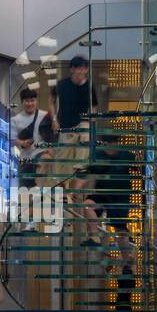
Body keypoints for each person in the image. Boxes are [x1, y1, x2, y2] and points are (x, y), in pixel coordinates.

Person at [50, 56, 102, 246]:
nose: (81, 72)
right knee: (63, 168)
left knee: (82, 155)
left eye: (84, 69)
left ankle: (75, 186)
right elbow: (51, 99)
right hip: (66, 128)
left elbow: (94, 106)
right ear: (72, 69)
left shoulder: (89, 87)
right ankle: (66, 208)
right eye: (78, 69)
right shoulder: (62, 85)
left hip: (83, 125)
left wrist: (92, 122)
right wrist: (55, 119)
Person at [11, 88, 54, 228]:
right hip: (25, 159)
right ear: (22, 102)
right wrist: (22, 143)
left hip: (41, 154)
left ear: (36, 101)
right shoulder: (15, 120)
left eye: (32, 100)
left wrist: (51, 148)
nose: (30, 103)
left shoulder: (45, 115)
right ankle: (31, 223)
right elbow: (12, 139)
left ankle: (43, 192)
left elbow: (53, 132)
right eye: (27, 101)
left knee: (44, 163)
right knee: (26, 192)